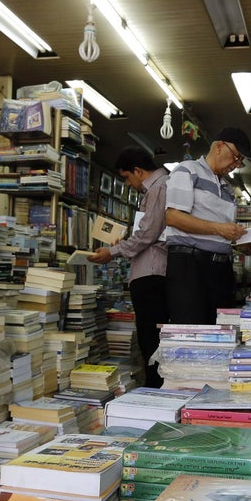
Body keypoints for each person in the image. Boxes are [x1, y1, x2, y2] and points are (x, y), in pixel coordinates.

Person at [88, 147, 170, 388]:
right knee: (151, 339)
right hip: (151, 272)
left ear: (138, 171)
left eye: (126, 177)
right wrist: (124, 244)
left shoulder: (158, 187)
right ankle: (155, 388)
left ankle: (155, 391)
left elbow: (148, 233)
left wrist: (112, 252)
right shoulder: (159, 187)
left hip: (151, 274)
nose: (128, 183)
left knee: (151, 340)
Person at [164, 127, 251, 324]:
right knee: (191, 329)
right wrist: (220, 228)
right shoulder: (187, 170)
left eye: (240, 161)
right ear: (220, 146)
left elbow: (222, 234)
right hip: (190, 265)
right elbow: (173, 217)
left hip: (221, 268)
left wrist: (246, 245)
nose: (236, 164)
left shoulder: (228, 188)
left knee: (221, 329)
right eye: (236, 157)